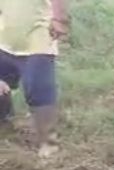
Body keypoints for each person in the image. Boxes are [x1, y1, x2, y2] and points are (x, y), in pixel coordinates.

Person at [0, 0, 67, 157]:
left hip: (39, 33)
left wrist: (59, 19)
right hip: (5, 35)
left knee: (37, 86)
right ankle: (4, 122)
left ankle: (49, 144)